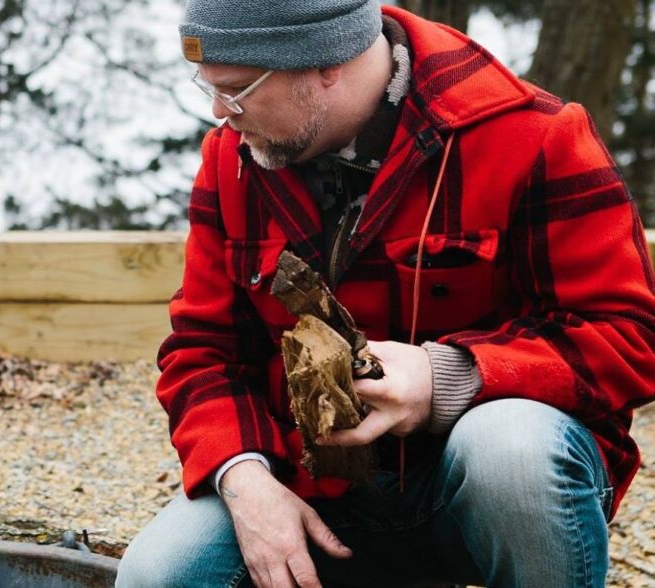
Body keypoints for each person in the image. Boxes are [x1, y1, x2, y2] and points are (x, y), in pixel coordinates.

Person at [115, 2, 655, 587]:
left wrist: (447, 378)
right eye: (209, 87)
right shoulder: (232, 159)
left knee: (512, 449)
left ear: (326, 64)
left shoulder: (533, 137)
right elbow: (202, 354)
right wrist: (244, 481)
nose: (221, 113)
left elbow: (631, 334)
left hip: (484, 495)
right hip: (311, 491)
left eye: (239, 90)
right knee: (157, 573)